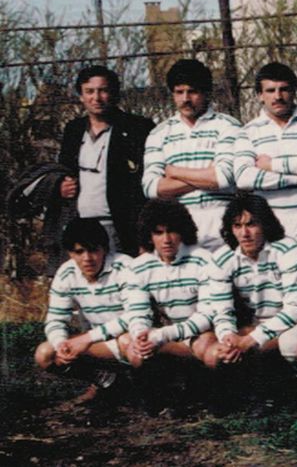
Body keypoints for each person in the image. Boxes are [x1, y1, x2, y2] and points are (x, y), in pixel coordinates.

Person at [118, 198, 219, 416]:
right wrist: (141, 334)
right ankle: (164, 397)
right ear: (149, 235)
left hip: (199, 332)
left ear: (183, 231)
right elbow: (137, 311)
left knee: (208, 347)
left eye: (172, 231)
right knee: (133, 347)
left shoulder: (203, 260)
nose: (166, 239)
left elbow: (208, 315)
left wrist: (163, 335)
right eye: (158, 232)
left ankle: (206, 393)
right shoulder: (139, 267)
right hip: (167, 334)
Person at [234, 63, 297, 272]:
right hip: (270, 226)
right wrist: (295, 178)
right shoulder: (247, 132)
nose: (278, 96)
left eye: (284, 89)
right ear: (259, 95)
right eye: (270, 90)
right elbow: (243, 177)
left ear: (294, 91)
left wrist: (270, 166)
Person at [205, 195, 297, 378]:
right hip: (248, 327)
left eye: (251, 224)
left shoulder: (288, 249)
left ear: (265, 224)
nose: (244, 234)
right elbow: (222, 311)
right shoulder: (221, 258)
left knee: (291, 344)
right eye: (237, 226)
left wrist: (253, 339)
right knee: (217, 355)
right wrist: (228, 337)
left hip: (288, 326)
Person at [142, 59, 241, 254]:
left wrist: (174, 172)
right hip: (178, 227)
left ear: (206, 92)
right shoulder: (159, 133)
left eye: (193, 91)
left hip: (222, 223)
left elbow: (224, 177)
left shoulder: (228, 126)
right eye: (179, 92)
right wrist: (207, 175)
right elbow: (152, 188)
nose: (186, 99)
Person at [35, 218, 135, 401]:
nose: (87, 258)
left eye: (93, 250)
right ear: (70, 253)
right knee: (45, 354)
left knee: (127, 341)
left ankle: (151, 388)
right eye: (79, 252)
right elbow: (56, 319)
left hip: (132, 337)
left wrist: (85, 340)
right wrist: (61, 345)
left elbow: (134, 316)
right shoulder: (66, 273)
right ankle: (109, 382)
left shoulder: (125, 266)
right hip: (99, 342)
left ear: (104, 248)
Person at [58, 65, 155, 255]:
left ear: (114, 93)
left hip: (123, 228)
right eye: (89, 91)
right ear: (81, 96)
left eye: (103, 90)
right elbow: (63, 170)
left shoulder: (137, 128)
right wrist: (60, 186)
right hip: (82, 226)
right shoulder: (73, 130)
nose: (96, 98)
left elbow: (147, 183)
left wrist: (145, 235)